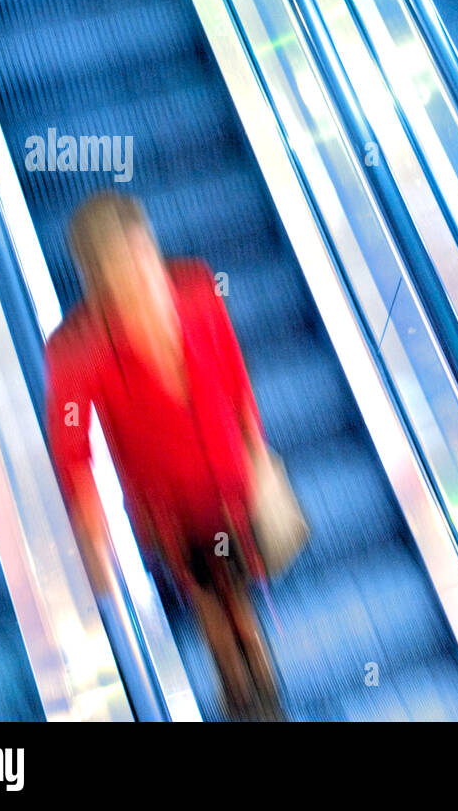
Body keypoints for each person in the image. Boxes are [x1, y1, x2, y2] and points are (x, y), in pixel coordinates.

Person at [44, 191, 281, 719]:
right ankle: (241, 696)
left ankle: (261, 688)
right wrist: (93, 534)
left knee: (239, 595)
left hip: (232, 486)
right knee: (209, 604)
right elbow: (73, 449)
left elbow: (235, 376)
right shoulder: (78, 348)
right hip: (169, 513)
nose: (139, 272)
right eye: (120, 264)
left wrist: (257, 451)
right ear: (96, 277)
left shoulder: (196, 289)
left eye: (141, 253)